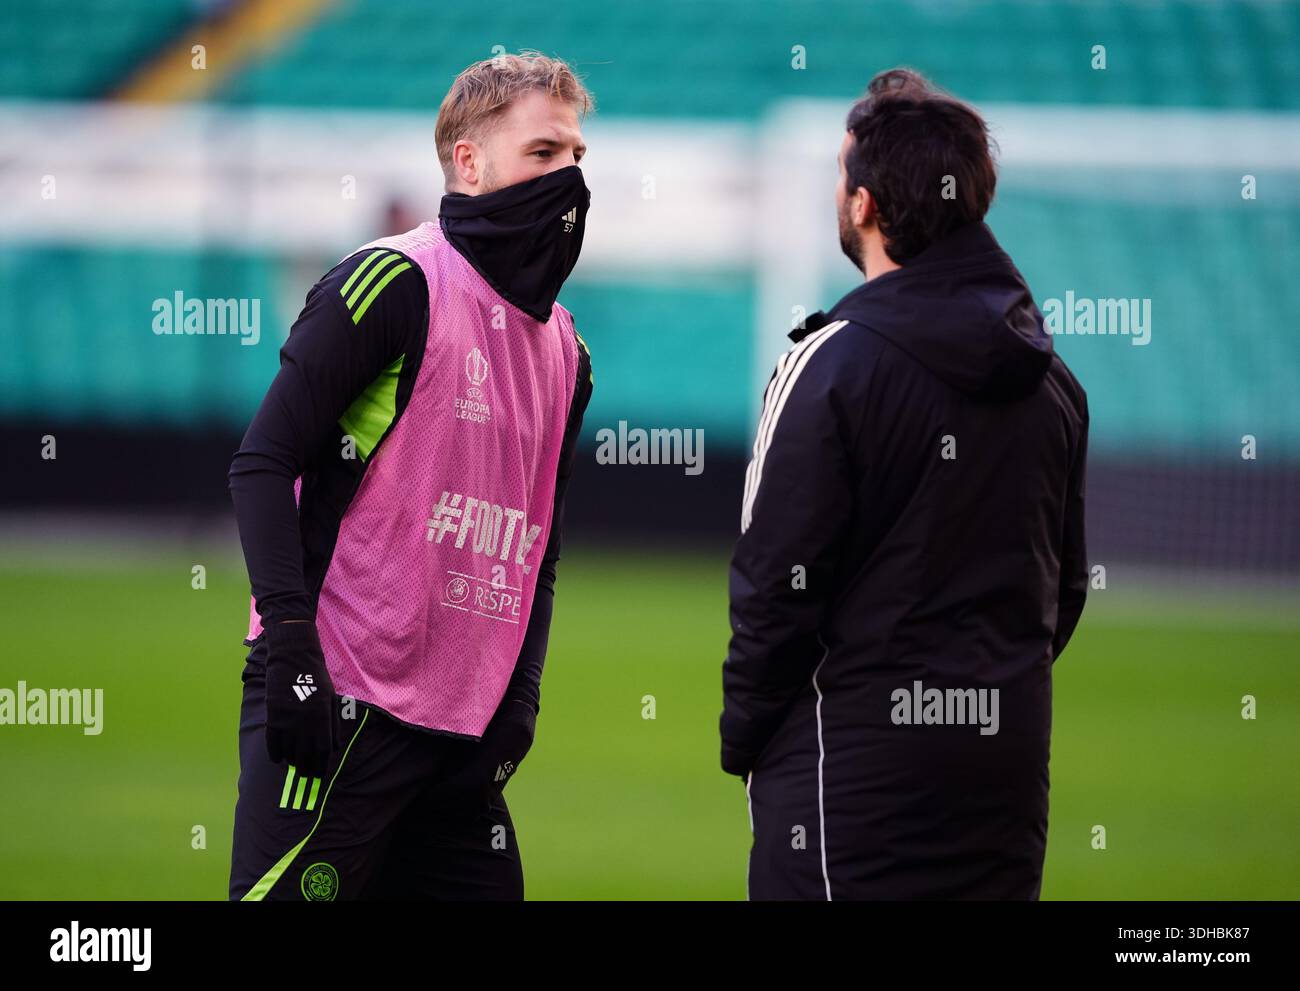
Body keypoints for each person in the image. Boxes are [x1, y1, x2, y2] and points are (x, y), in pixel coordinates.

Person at [227, 51, 594, 901]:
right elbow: (263, 460)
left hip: (465, 745)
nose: (570, 178)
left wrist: (520, 705)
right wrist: (289, 648)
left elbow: (539, 547)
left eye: (577, 157)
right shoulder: (393, 283)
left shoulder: (568, 353)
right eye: (544, 154)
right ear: (470, 163)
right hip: (340, 706)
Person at [721, 68, 1089, 900]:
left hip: (849, 775)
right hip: (1005, 771)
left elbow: (773, 589)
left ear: (863, 205)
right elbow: (1060, 592)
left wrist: (745, 739)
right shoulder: (1055, 380)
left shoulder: (830, 365)